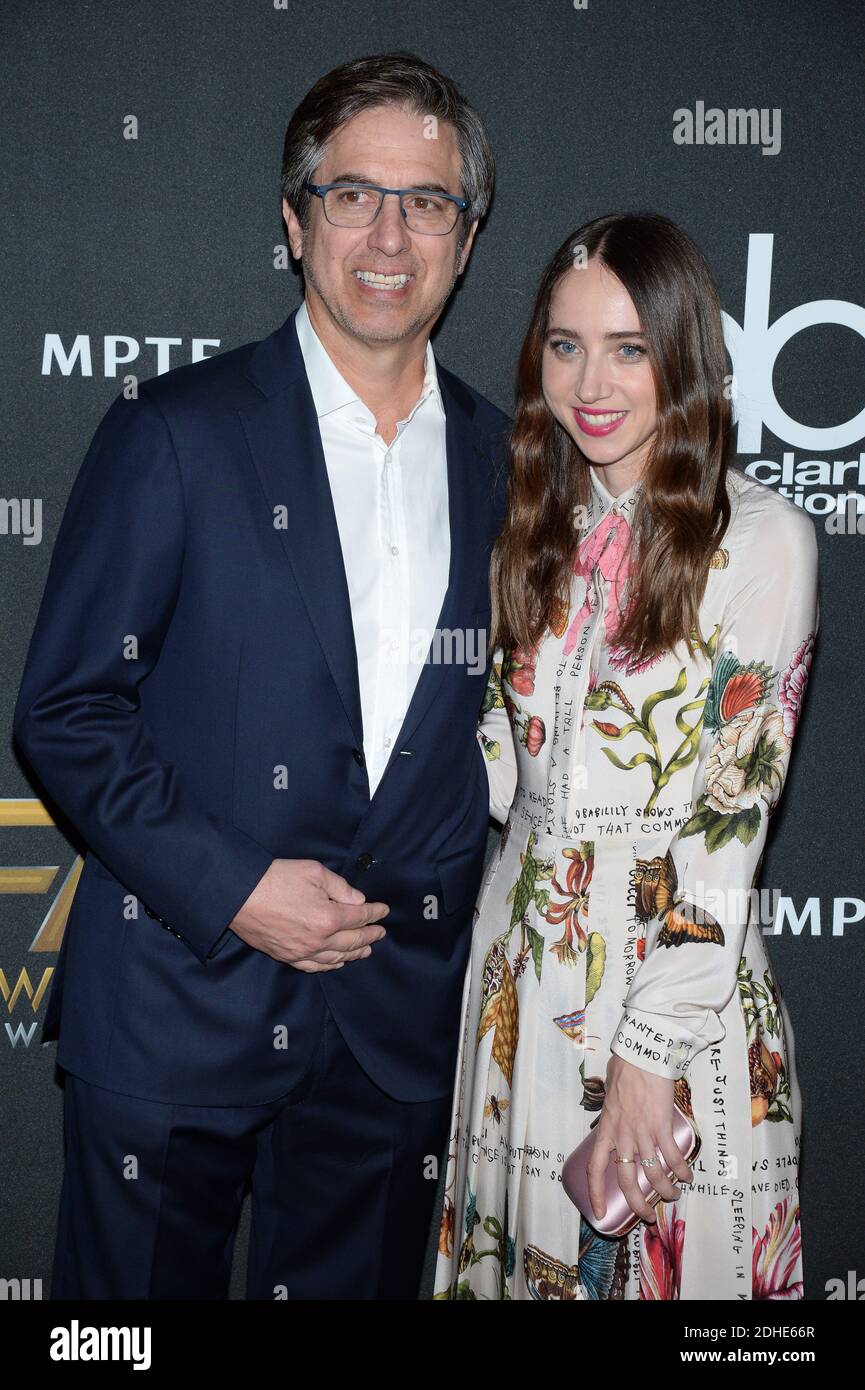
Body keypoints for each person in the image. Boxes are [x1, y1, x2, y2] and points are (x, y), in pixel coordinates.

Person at [13, 51, 510, 1300]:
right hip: (180, 1000)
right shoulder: (174, 431)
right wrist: (234, 885)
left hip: (395, 1034)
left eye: (428, 202)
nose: (390, 234)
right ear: (293, 224)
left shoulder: (513, 468)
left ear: (465, 234)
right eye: (353, 195)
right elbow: (66, 711)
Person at [433, 212, 819, 1301]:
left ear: (682, 357)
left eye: (627, 348)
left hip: (672, 999)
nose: (589, 383)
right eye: (564, 346)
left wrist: (647, 1059)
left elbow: (726, 826)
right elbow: (502, 774)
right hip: (518, 985)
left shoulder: (760, 542)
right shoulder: (531, 528)